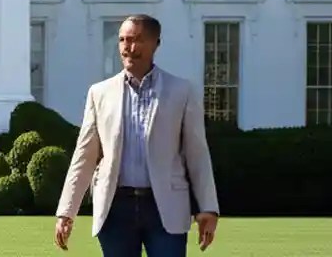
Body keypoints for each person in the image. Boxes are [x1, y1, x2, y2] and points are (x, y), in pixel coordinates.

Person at [54, 14, 220, 257]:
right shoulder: (99, 93)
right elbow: (84, 156)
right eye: (122, 39)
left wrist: (207, 208)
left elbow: (197, 154)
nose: (127, 47)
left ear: (156, 43)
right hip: (115, 208)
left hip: (166, 208)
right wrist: (66, 211)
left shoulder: (181, 91)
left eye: (136, 39)